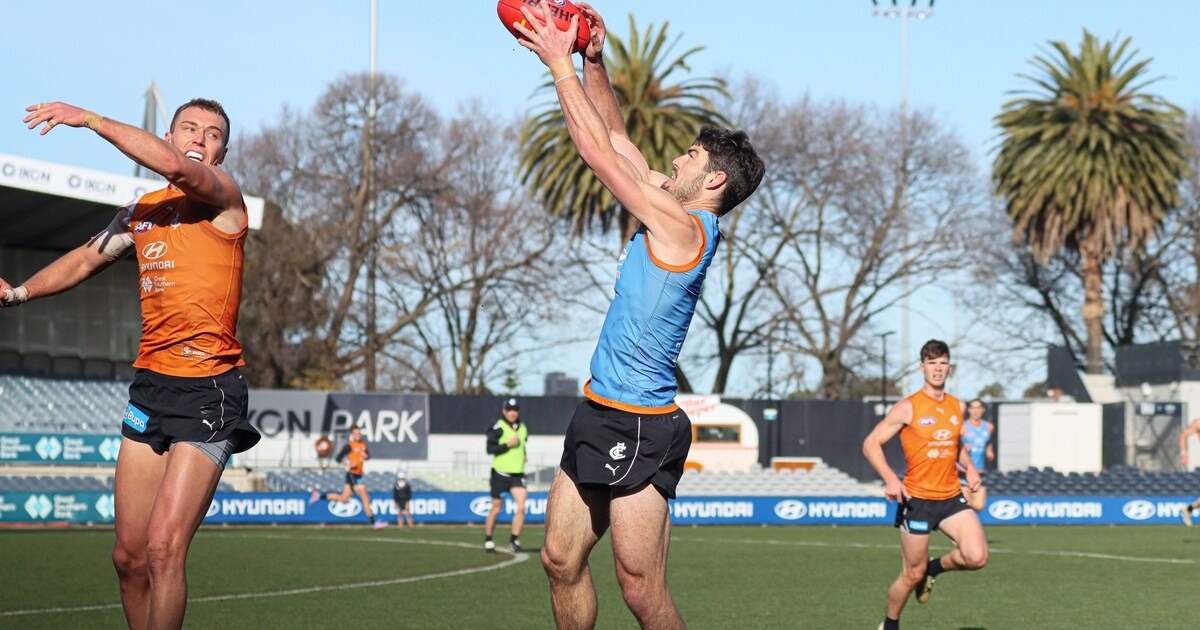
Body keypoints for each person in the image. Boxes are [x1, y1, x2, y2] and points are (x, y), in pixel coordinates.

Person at [512, 3, 765, 627]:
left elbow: (596, 154)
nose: (676, 160)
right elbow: (617, 141)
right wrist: (592, 61)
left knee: (640, 590)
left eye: (690, 157)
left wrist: (558, 64)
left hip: (642, 422)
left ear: (713, 182)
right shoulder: (666, 204)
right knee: (559, 559)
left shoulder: (683, 227)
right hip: (600, 407)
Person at [2, 99, 262, 628]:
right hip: (150, 390)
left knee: (164, 549)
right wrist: (19, 294)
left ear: (222, 152)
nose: (199, 138)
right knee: (129, 557)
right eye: (189, 128)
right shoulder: (140, 213)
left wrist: (91, 120)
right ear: (170, 133)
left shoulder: (223, 196)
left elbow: (175, 168)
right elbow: (86, 258)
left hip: (208, 389)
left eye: (212, 134)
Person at [862, 340, 988, 630]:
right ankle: (889, 624)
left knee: (977, 557)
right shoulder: (908, 407)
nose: (937, 369)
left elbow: (955, 443)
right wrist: (890, 478)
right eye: (932, 364)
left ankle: (935, 567)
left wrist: (969, 468)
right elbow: (870, 443)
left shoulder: (957, 405)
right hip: (917, 501)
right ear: (922, 368)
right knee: (912, 574)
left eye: (942, 363)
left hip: (951, 497)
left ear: (949, 368)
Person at [309, 426, 387, 530]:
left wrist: (366, 456)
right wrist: (348, 464)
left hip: (357, 474)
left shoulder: (362, 444)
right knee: (365, 498)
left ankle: (318, 496)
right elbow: (338, 458)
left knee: (344, 498)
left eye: (359, 433)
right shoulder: (349, 446)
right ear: (352, 434)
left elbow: (367, 456)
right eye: (356, 433)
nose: (358, 435)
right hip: (353, 474)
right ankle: (374, 523)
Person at [484, 397, 528, 553]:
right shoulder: (498, 427)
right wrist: (507, 445)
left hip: (518, 474)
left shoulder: (523, 427)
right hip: (500, 473)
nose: (512, 413)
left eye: (514, 410)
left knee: (521, 507)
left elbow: (523, 445)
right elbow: (490, 449)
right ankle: (489, 539)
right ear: (504, 411)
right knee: (496, 508)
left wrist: (524, 454)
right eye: (509, 410)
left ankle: (513, 540)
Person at [960, 399, 994, 511]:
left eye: (978, 408)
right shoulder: (963, 427)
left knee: (979, 506)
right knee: (966, 504)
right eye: (973, 408)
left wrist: (989, 450)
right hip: (963, 473)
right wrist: (963, 448)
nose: (975, 411)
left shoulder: (988, 427)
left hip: (979, 473)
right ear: (968, 410)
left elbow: (989, 441)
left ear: (983, 410)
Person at [1180, 417, 1200, 526]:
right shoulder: (1198, 422)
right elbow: (1184, 435)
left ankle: (1189, 509)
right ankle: (1188, 509)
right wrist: (1184, 454)